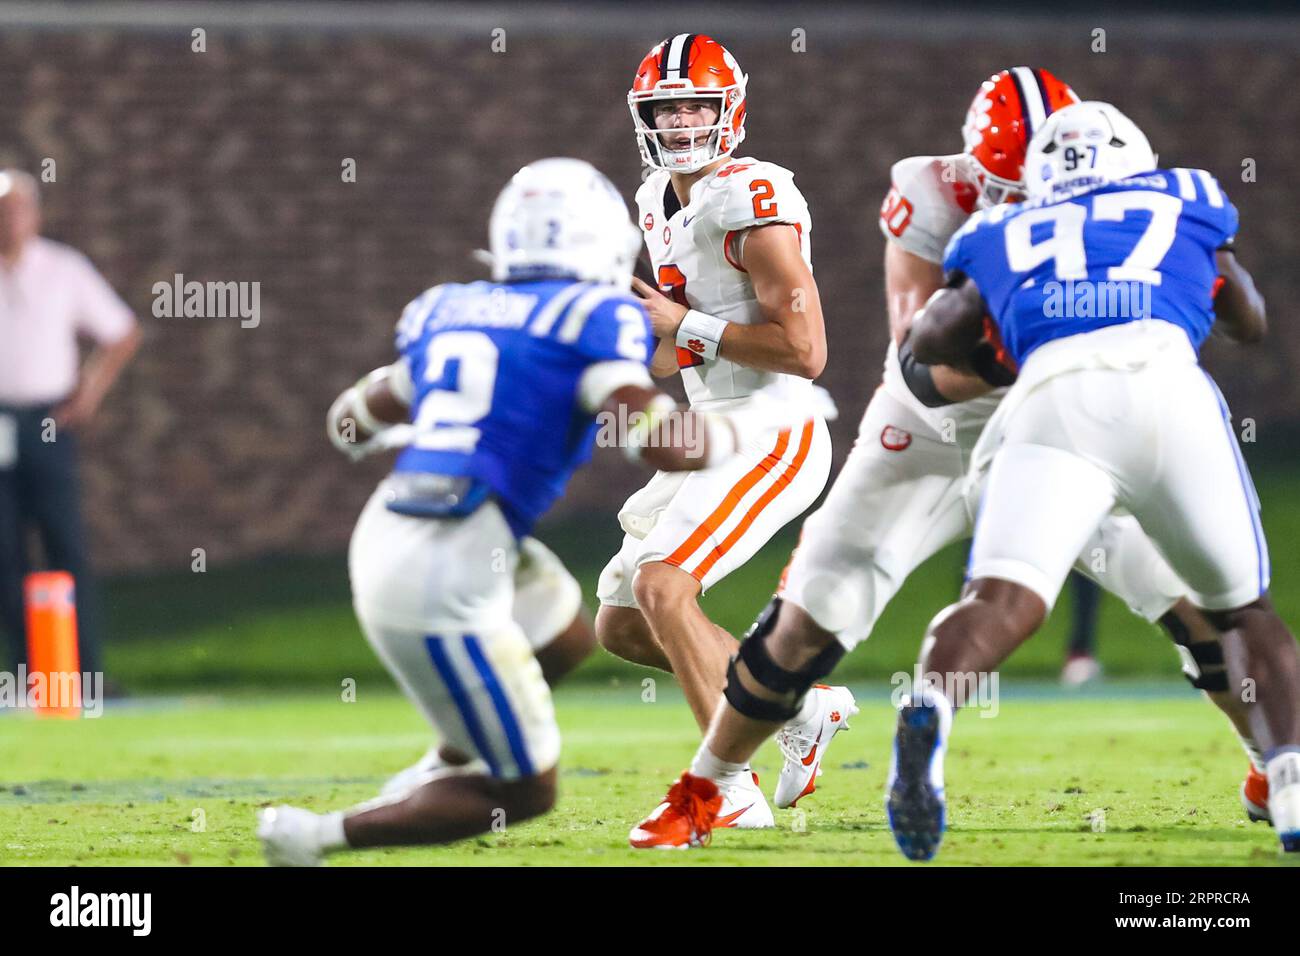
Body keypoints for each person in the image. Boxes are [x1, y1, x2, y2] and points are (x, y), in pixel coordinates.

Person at [627, 72, 1270, 850]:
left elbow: (1223, 304)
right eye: (1002, 183)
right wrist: (1079, 339)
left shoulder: (1109, 194)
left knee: (1184, 598)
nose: (1022, 194)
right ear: (975, 169)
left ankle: (1272, 761)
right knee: (814, 608)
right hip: (930, 428)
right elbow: (923, 361)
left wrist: (1108, 346)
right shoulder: (929, 195)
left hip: (1057, 427)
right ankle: (708, 789)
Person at [256, 158, 743, 866]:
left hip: (410, 531)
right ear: (603, 240)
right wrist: (728, 433)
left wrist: (400, 426)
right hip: (438, 567)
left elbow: (351, 421)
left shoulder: (448, 307)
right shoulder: (593, 313)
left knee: (564, 638)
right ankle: (312, 838)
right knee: (523, 791)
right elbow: (656, 441)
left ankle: (435, 768)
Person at [886, 100, 1298, 859]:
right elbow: (1249, 320)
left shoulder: (995, 231)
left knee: (998, 599)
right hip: (1165, 384)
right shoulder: (1186, 196)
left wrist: (1001, 347)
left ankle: (930, 710)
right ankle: (1291, 781)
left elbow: (928, 340)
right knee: (1241, 610)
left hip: (1053, 399)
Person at [594, 35, 849, 837]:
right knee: (623, 623)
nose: (680, 121)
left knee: (664, 585)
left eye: (695, 104)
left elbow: (805, 352)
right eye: (665, 107)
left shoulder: (751, 195)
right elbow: (674, 346)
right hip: (714, 423)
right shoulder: (655, 200)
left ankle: (724, 788)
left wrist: (686, 327)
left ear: (728, 109)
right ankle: (802, 709)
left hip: (776, 424)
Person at [0, 169, 140, 684]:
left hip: (46, 421)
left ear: (33, 215)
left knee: (64, 542)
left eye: (17, 210)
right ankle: (27, 675)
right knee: (4, 551)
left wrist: (89, 393)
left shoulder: (62, 269)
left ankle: (84, 673)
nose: (8, 221)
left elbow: (121, 333)